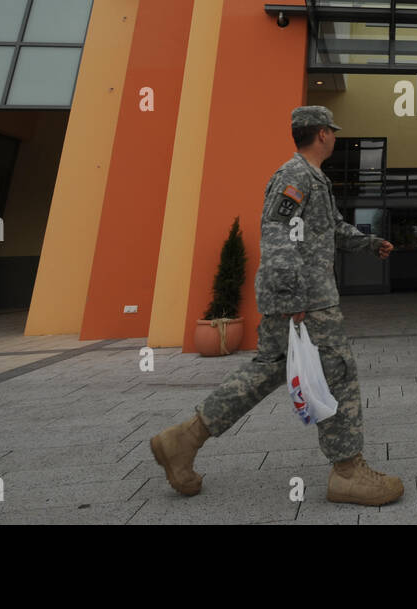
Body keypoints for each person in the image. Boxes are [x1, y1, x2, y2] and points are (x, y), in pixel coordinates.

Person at [149, 105, 403, 506]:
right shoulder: (294, 175)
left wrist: (369, 244)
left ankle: (184, 439)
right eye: (332, 131)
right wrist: (291, 297)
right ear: (321, 134)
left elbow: (331, 228)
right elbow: (277, 234)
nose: (334, 137)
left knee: (267, 371)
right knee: (340, 373)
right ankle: (348, 472)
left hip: (302, 296)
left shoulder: (314, 178)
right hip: (308, 299)